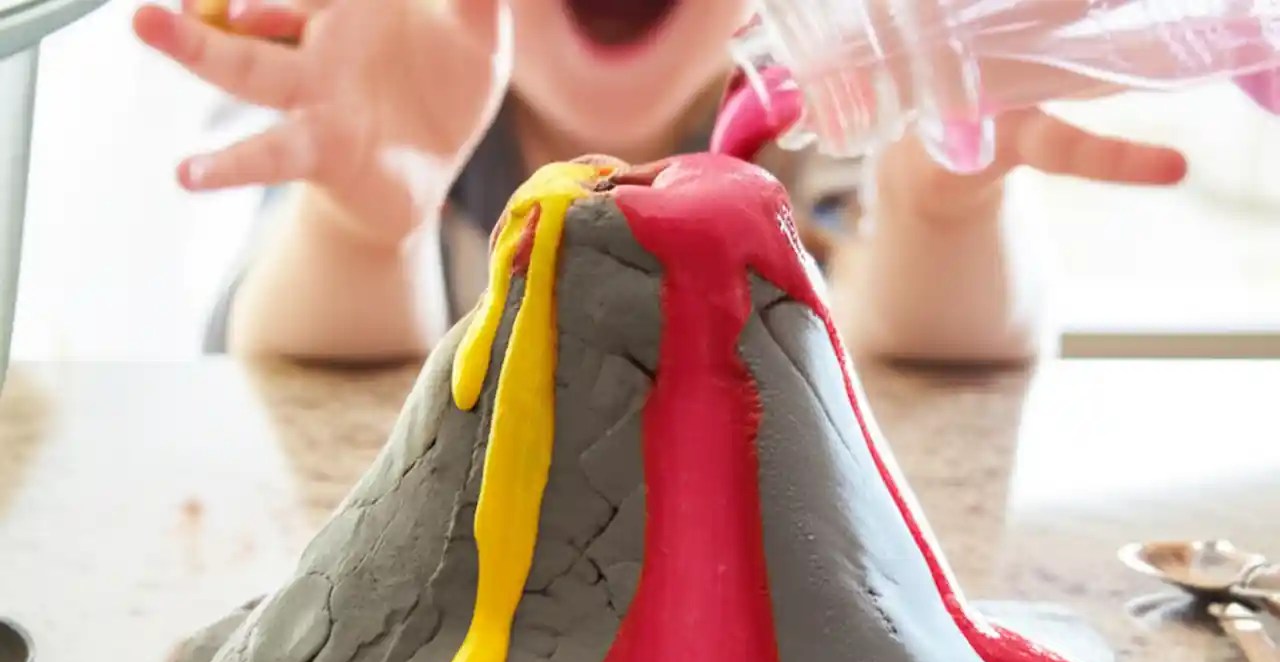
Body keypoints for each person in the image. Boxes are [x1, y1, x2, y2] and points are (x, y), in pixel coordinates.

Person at [131, 0, 1189, 365]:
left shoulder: (824, 105)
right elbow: (297, 394)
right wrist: (362, 232)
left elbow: (938, 373)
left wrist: (942, 208)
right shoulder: (383, 86)